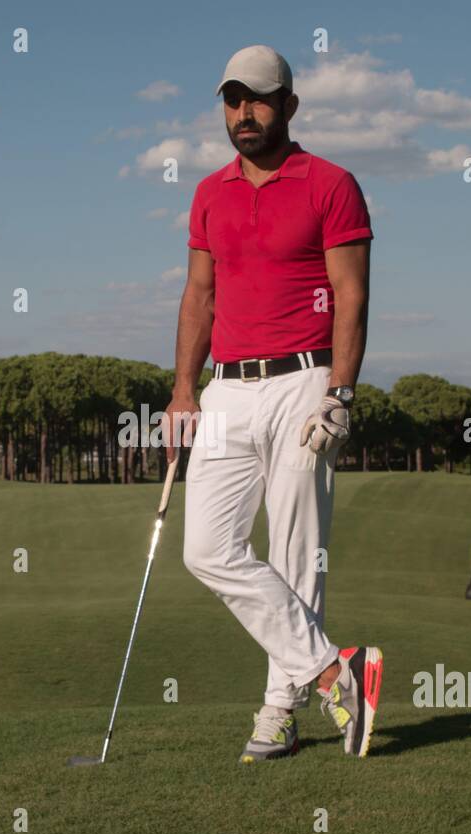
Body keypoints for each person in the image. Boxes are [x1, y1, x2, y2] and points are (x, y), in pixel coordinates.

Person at [164, 45, 383, 763]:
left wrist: (340, 395)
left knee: (295, 558)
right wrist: (182, 392)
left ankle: (278, 713)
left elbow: (351, 294)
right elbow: (199, 295)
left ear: (288, 103)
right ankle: (331, 670)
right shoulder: (209, 191)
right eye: (231, 100)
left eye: (257, 99)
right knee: (206, 549)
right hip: (226, 385)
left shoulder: (331, 184)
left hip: (303, 381)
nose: (243, 113)